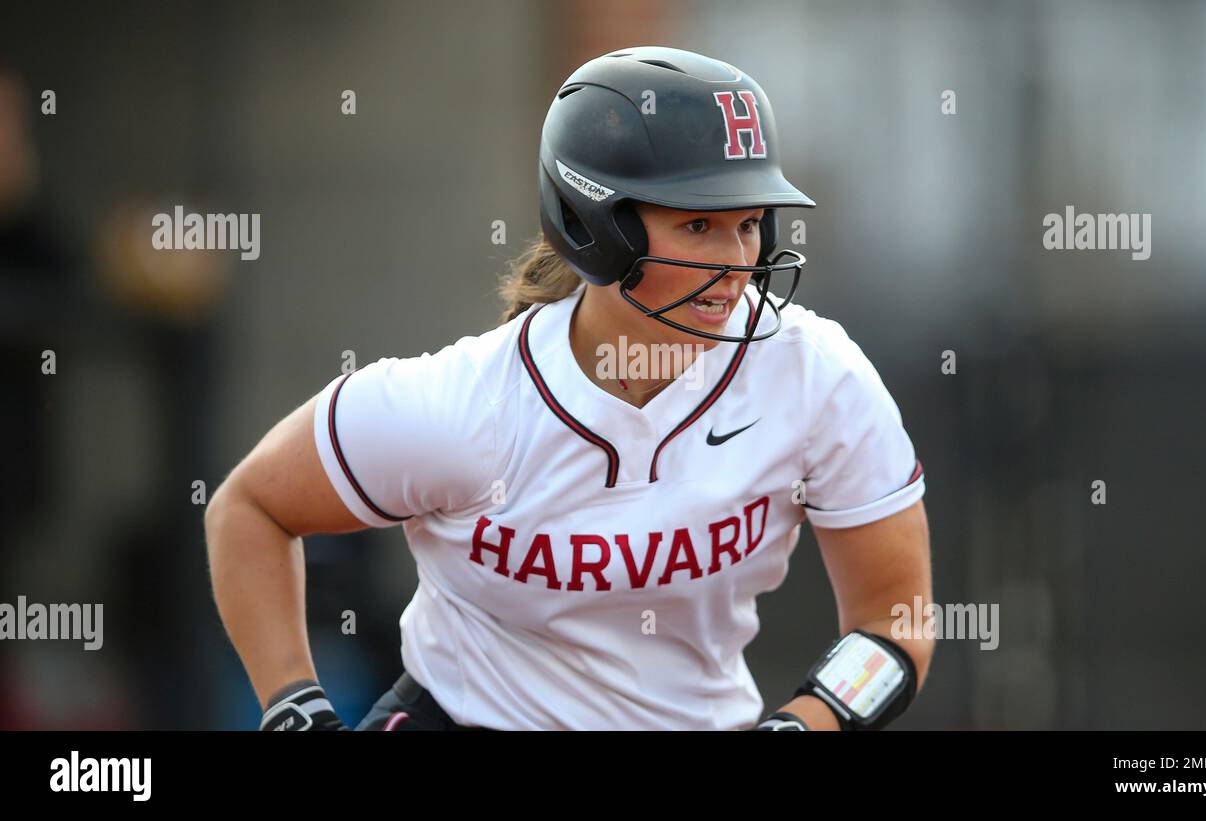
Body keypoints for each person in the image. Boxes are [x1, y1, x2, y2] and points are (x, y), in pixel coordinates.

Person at [205, 46, 933, 731]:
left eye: (748, 223)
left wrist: (805, 723)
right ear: (597, 227)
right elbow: (250, 505)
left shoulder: (812, 375)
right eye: (700, 223)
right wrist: (293, 704)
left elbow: (895, 616)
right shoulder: (466, 407)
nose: (737, 261)